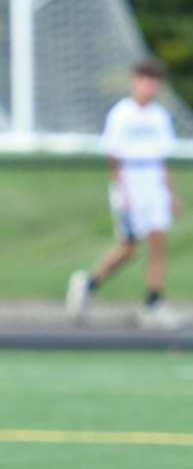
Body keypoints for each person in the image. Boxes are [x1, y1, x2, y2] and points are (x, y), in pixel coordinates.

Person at [66, 58, 184, 330]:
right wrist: (123, 191)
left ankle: (153, 303)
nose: (148, 86)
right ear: (135, 82)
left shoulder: (160, 116)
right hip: (132, 183)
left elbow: (162, 159)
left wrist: (171, 194)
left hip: (153, 181)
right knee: (129, 248)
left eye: (153, 81)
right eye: (144, 79)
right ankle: (88, 283)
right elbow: (114, 155)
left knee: (158, 241)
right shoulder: (122, 114)